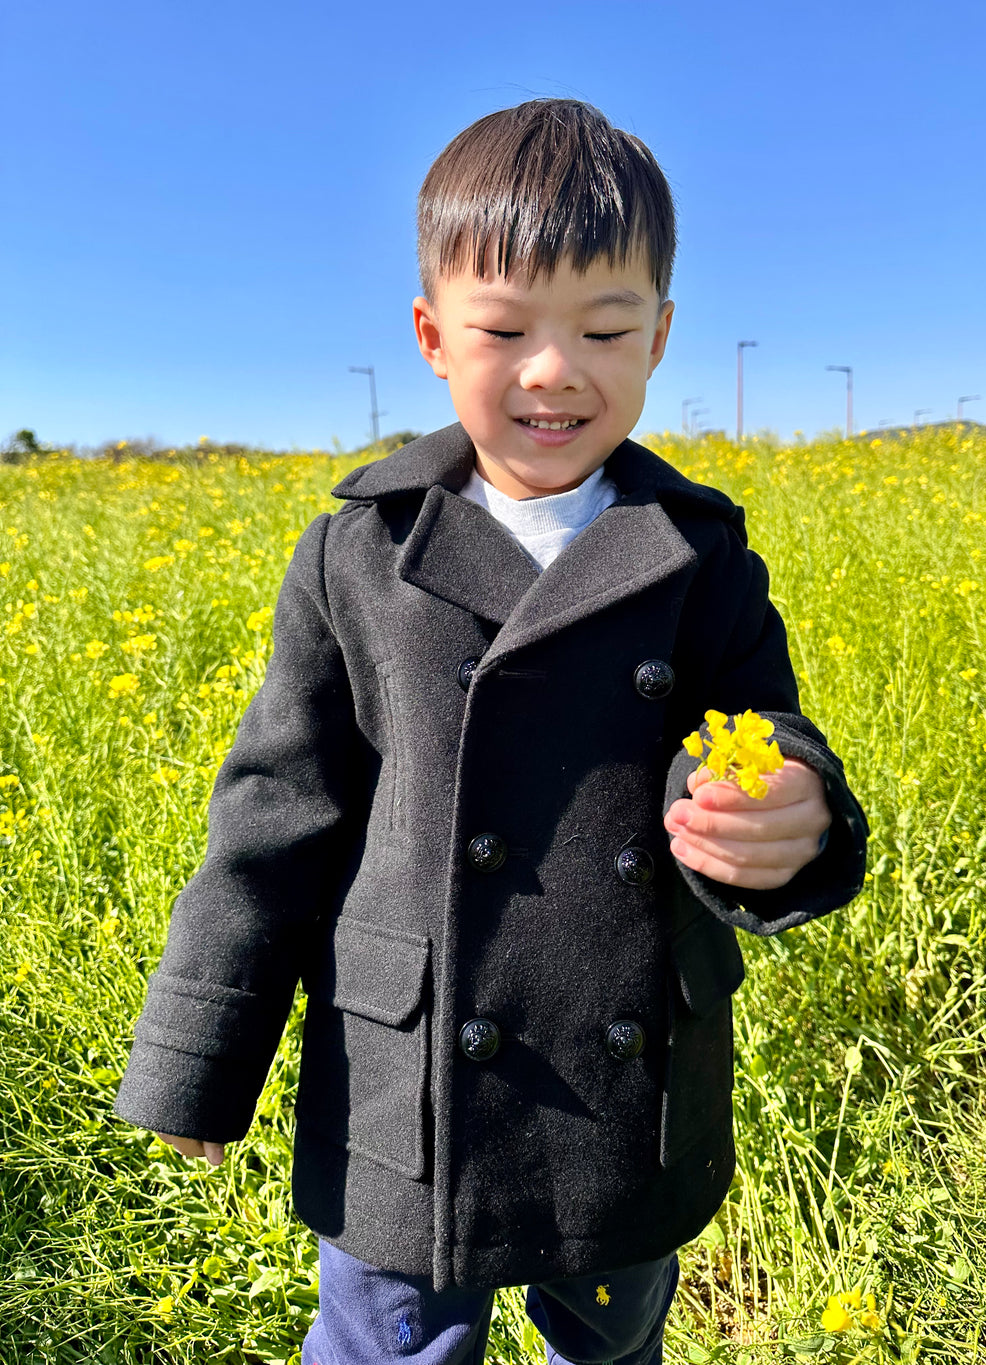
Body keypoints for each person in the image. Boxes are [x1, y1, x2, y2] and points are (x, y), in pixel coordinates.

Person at [113, 98, 868, 1365]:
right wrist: (200, 1048)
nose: (552, 370)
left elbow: (759, 734)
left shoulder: (701, 558)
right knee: (385, 1347)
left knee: (610, 1345)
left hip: (622, 1087)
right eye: (503, 330)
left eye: (605, 329)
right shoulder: (359, 551)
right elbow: (276, 815)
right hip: (407, 1084)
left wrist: (788, 814)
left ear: (661, 338)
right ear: (429, 335)